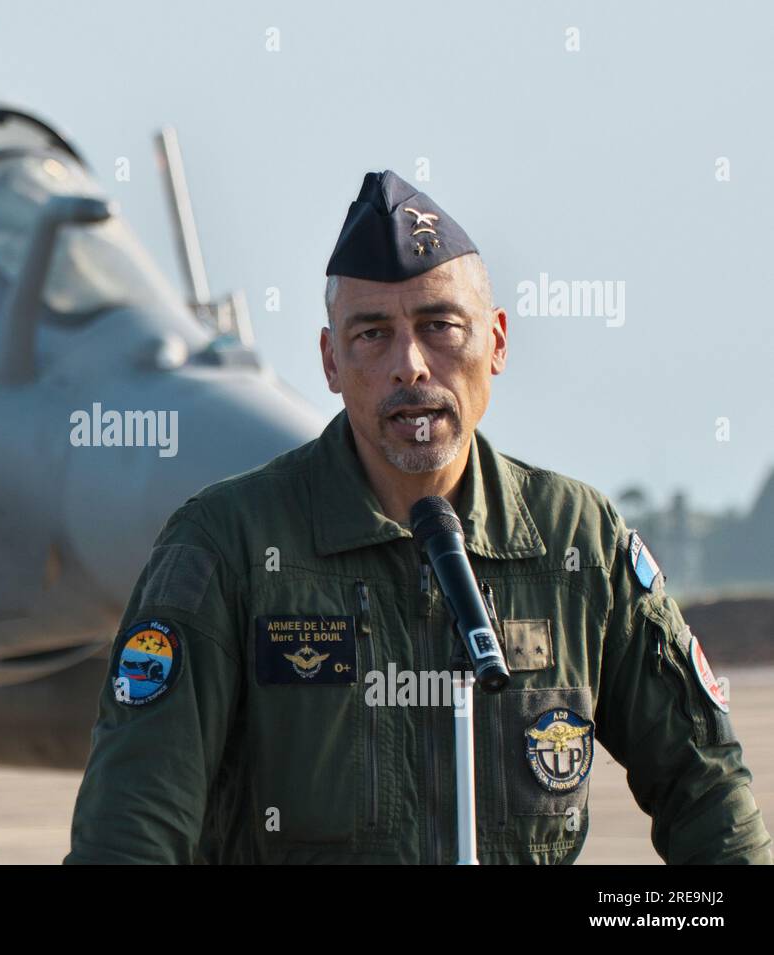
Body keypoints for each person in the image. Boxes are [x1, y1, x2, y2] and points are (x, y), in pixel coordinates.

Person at [63, 170, 772, 864]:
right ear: (330, 359)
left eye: (440, 326)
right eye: (372, 334)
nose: (410, 365)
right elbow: (131, 831)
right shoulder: (227, 547)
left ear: (496, 341)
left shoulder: (576, 543)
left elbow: (707, 790)